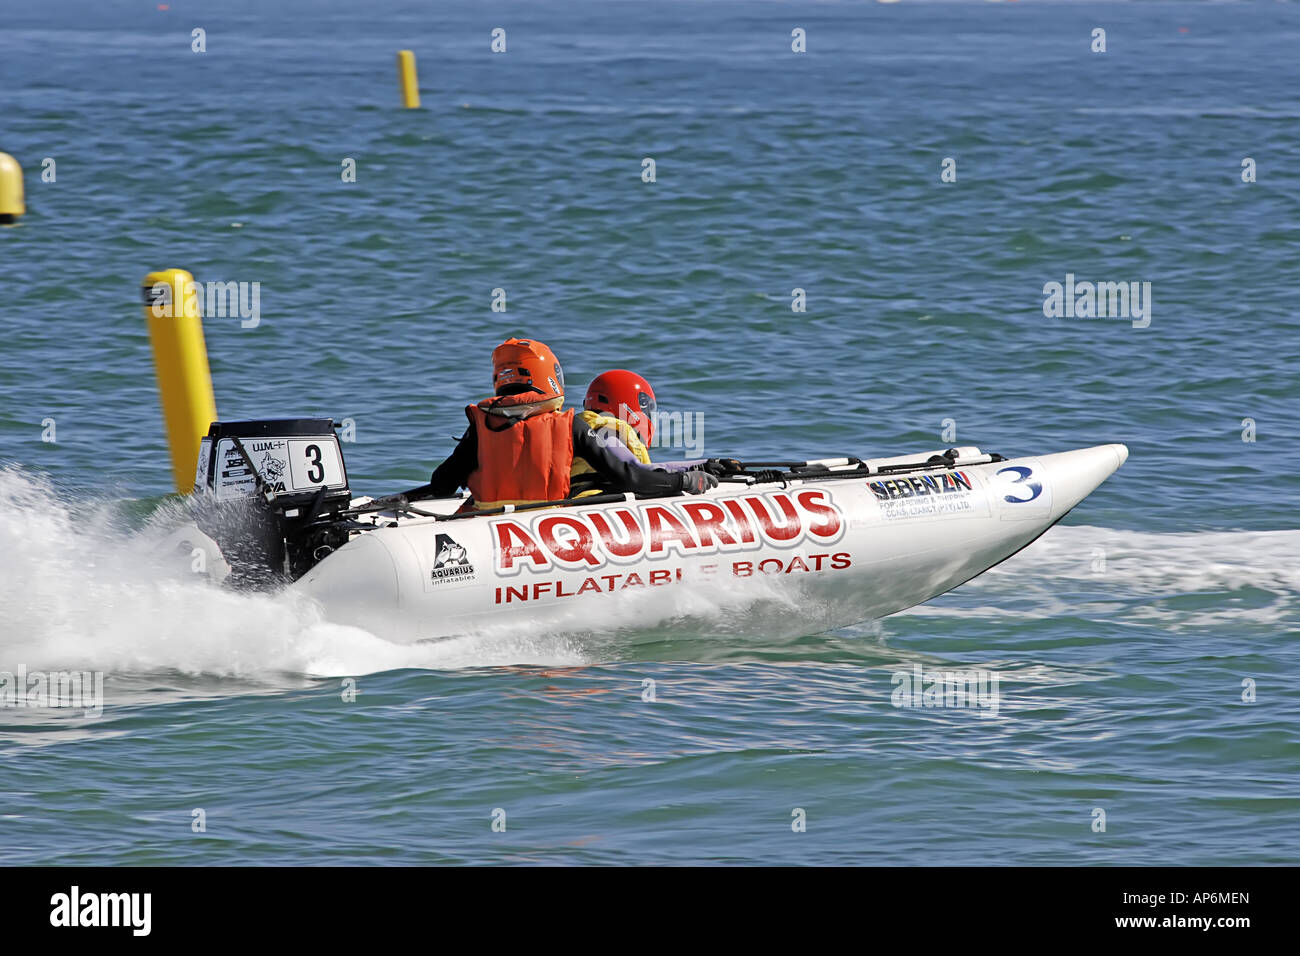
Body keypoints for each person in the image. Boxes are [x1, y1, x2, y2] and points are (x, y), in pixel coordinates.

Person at [406, 338, 718, 509]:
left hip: (487, 528)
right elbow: (631, 477)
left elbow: (442, 484)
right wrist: (683, 482)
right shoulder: (571, 427)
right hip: (546, 529)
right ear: (549, 378)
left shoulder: (480, 429)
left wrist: (405, 499)